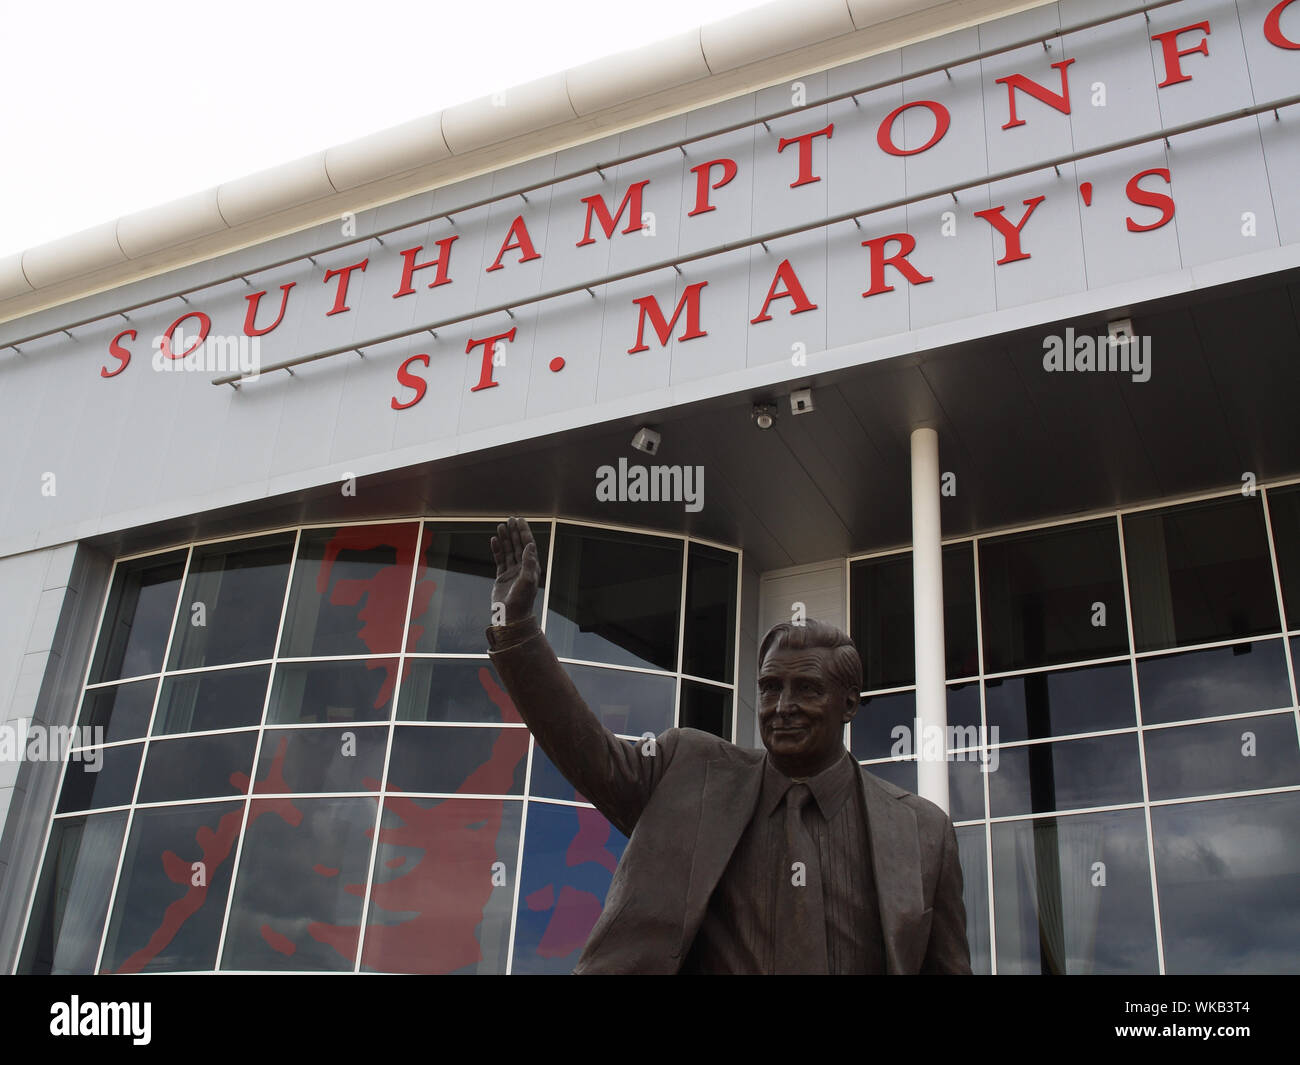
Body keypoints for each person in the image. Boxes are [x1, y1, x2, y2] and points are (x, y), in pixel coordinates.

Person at [487, 516, 971, 974]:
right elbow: (587, 751)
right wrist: (517, 630)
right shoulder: (687, 773)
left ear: (848, 705)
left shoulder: (923, 834)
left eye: (806, 690)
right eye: (769, 687)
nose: (782, 706)